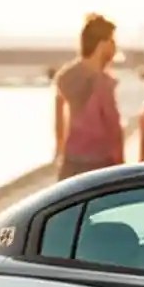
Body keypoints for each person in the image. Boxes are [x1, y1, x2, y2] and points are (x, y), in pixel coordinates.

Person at [53, 13, 124, 180]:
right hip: (100, 165)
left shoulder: (65, 76)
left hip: (71, 161)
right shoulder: (105, 83)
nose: (115, 48)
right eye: (112, 42)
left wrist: (61, 151)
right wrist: (121, 167)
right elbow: (114, 130)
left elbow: (58, 122)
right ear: (102, 44)